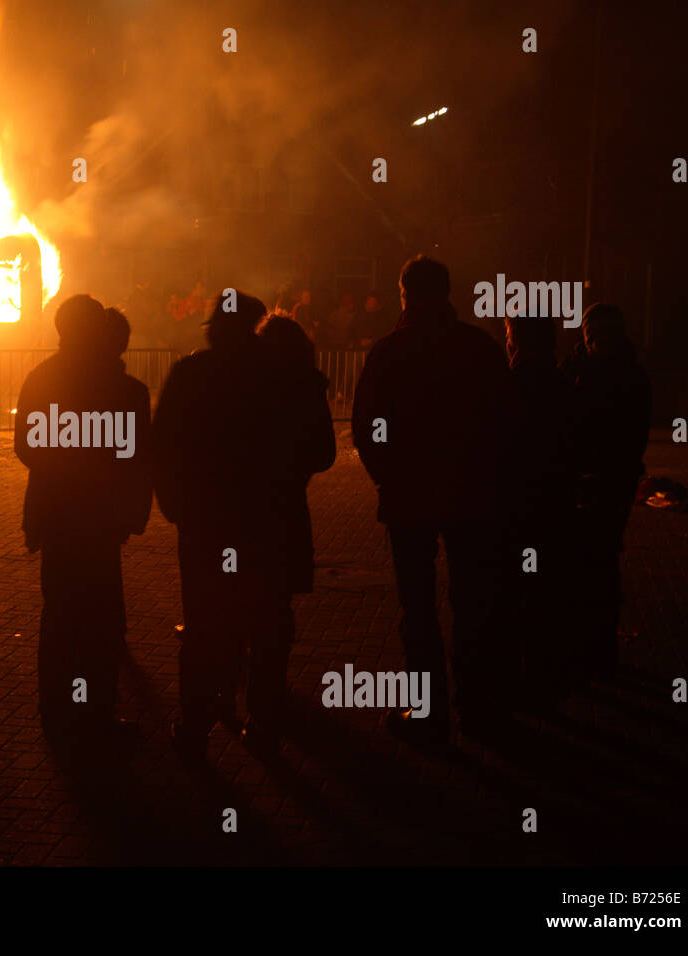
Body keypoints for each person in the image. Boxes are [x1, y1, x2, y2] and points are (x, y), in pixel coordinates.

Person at [351, 256, 511, 743]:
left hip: (410, 496)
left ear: (406, 294)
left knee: (417, 607)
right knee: (472, 600)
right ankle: (477, 707)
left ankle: (429, 712)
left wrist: (388, 477)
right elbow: (505, 422)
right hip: (472, 495)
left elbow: (367, 427)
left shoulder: (389, 352)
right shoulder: (479, 349)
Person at [154, 292, 316, 760]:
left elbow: (161, 444)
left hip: (206, 522)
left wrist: (174, 505)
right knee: (268, 621)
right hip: (271, 520)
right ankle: (263, 721)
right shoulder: (287, 374)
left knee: (206, 620)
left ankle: (198, 718)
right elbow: (321, 449)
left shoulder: (191, 374)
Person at [14, 295, 152, 744]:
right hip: (100, 522)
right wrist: (131, 512)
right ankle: (95, 712)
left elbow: (26, 448)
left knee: (59, 615)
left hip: (57, 517)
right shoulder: (126, 391)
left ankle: (55, 709)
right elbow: (137, 458)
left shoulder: (41, 379)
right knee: (101, 619)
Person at [565, 304, 651, 677]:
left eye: (600, 335)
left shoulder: (621, 375)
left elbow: (630, 434)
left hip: (608, 478)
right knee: (590, 560)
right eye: (591, 335)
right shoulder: (587, 369)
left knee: (598, 559)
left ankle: (597, 647)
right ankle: (590, 645)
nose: (596, 342)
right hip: (594, 477)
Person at [502, 314, 576, 703]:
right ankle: (545, 670)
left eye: (510, 336)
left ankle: (519, 673)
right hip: (555, 503)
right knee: (547, 587)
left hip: (518, 505)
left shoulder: (511, 385)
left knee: (514, 589)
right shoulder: (564, 385)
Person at [256, 313, 337, 595]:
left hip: (251, 512)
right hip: (291, 508)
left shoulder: (251, 390)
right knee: (279, 602)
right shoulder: (308, 390)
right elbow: (325, 453)